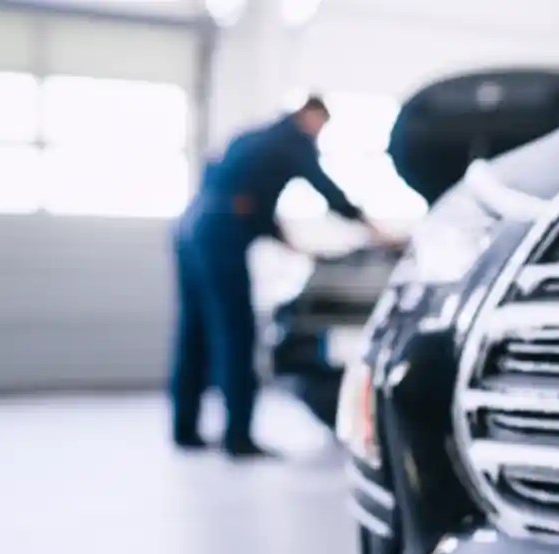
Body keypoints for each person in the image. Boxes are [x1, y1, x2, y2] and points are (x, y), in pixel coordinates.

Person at [170, 96, 397, 458]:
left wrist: (292, 244)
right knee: (235, 333)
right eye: (321, 125)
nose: (319, 134)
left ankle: (184, 430)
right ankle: (238, 438)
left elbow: (244, 196)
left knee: (194, 334)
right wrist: (373, 229)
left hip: (190, 227)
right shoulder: (293, 140)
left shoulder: (254, 137)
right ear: (310, 115)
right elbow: (327, 190)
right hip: (220, 233)